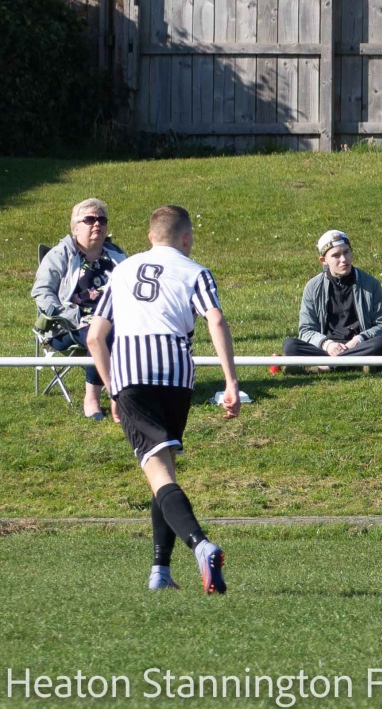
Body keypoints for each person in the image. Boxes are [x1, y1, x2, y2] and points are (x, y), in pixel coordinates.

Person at [86, 205, 238, 594]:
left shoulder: (121, 270)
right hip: (177, 370)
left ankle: (201, 546)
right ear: (186, 238)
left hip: (133, 370)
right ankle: (160, 571)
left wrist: (112, 388)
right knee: (164, 469)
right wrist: (230, 380)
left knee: (157, 470)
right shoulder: (195, 270)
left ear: (150, 236)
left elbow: (94, 337)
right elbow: (215, 320)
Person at [31, 198, 128, 419]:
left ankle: (138, 390)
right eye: (90, 219)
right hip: (66, 326)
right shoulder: (59, 255)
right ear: (75, 227)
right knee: (100, 335)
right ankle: (92, 398)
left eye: (102, 220)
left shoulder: (116, 255)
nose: (97, 224)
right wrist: (69, 316)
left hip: (112, 319)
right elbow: (42, 292)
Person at [276, 230, 382, 372]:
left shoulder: (370, 284)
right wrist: (328, 345)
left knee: (380, 343)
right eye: (336, 255)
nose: (344, 259)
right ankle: (355, 364)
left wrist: (358, 340)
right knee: (290, 345)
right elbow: (306, 330)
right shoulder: (313, 287)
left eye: (346, 252)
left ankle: (324, 367)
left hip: (357, 345)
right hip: (326, 348)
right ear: (323, 260)